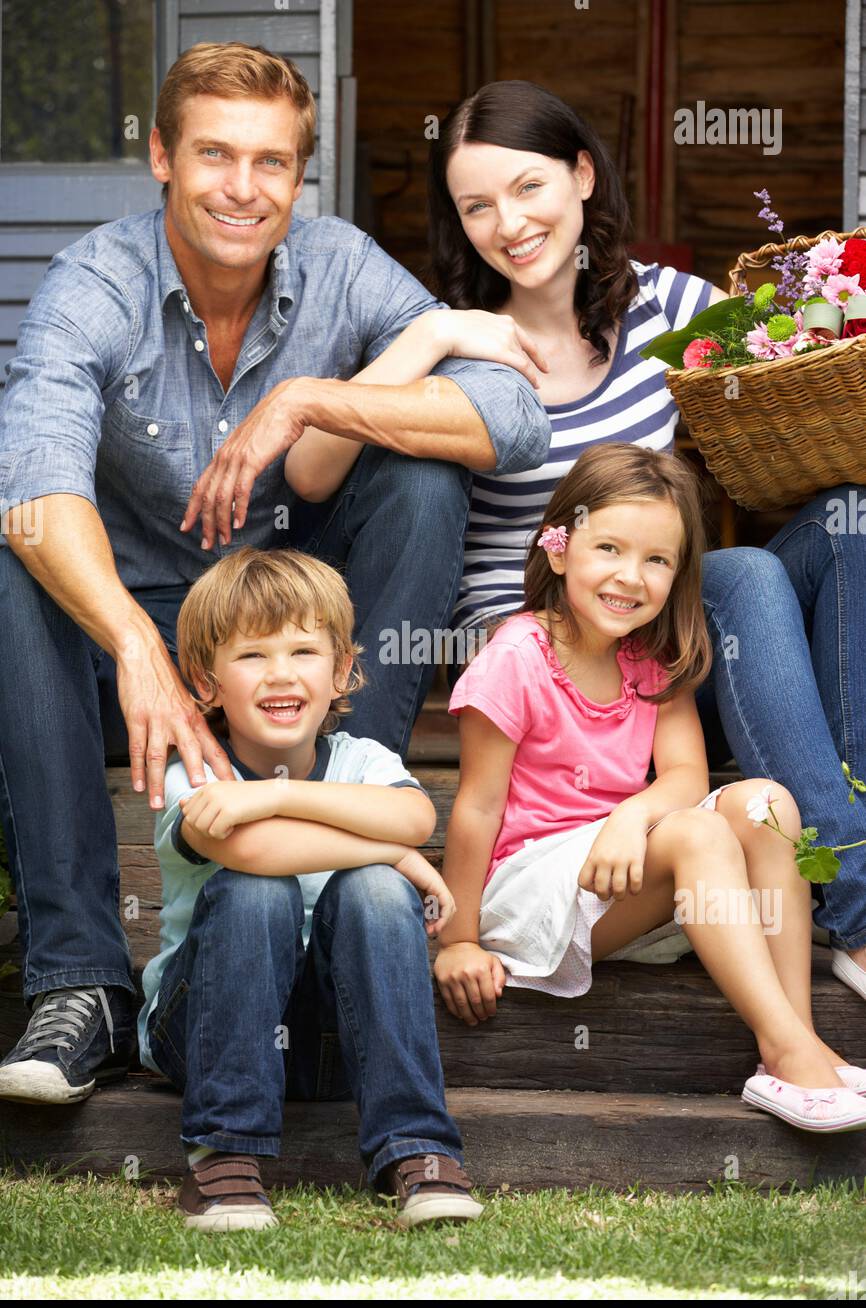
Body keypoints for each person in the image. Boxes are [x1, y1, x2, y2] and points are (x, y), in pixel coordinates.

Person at [0, 45, 550, 1105]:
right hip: (130, 653)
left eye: (271, 163)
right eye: (214, 154)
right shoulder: (95, 284)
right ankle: (81, 982)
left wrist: (305, 402)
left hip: (299, 657)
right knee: (16, 556)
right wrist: (135, 648)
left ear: (300, 176)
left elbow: (513, 420)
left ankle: (355, 863)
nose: (242, 189)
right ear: (162, 156)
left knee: (421, 475)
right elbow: (34, 481)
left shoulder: (341, 265)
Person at [306, 77, 866, 998]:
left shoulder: (662, 308)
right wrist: (431, 336)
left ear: (582, 176)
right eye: (476, 206)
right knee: (744, 577)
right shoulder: (461, 345)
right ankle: (856, 907)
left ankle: (848, 879)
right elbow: (314, 469)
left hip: (654, 665)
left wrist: (823, 319)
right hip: (540, 683)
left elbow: (792, 361)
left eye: (528, 187)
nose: (509, 224)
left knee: (842, 528)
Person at [436, 444, 866, 1134]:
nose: (630, 577)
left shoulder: (651, 658)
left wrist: (628, 818)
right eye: (608, 548)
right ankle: (789, 1050)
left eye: (657, 560)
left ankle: (795, 1040)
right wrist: (458, 940)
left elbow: (687, 776)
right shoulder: (516, 656)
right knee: (696, 832)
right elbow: (477, 807)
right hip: (530, 892)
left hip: (620, 872)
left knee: (767, 804)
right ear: (558, 550)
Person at [139, 544, 482, 1230]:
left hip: (336, 1043)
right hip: (205, 1040)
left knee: (376, 891)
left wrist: (273, 796)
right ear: (206, 682)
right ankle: (223, 1155)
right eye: (252, 655)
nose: (281, 673)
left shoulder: (362, 760)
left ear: (342, 670)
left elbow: (415, 817)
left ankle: (417, 1149)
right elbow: (254, 851)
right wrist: (396, 853)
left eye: (303, 651)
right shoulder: (195, 773)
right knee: (257, 890)